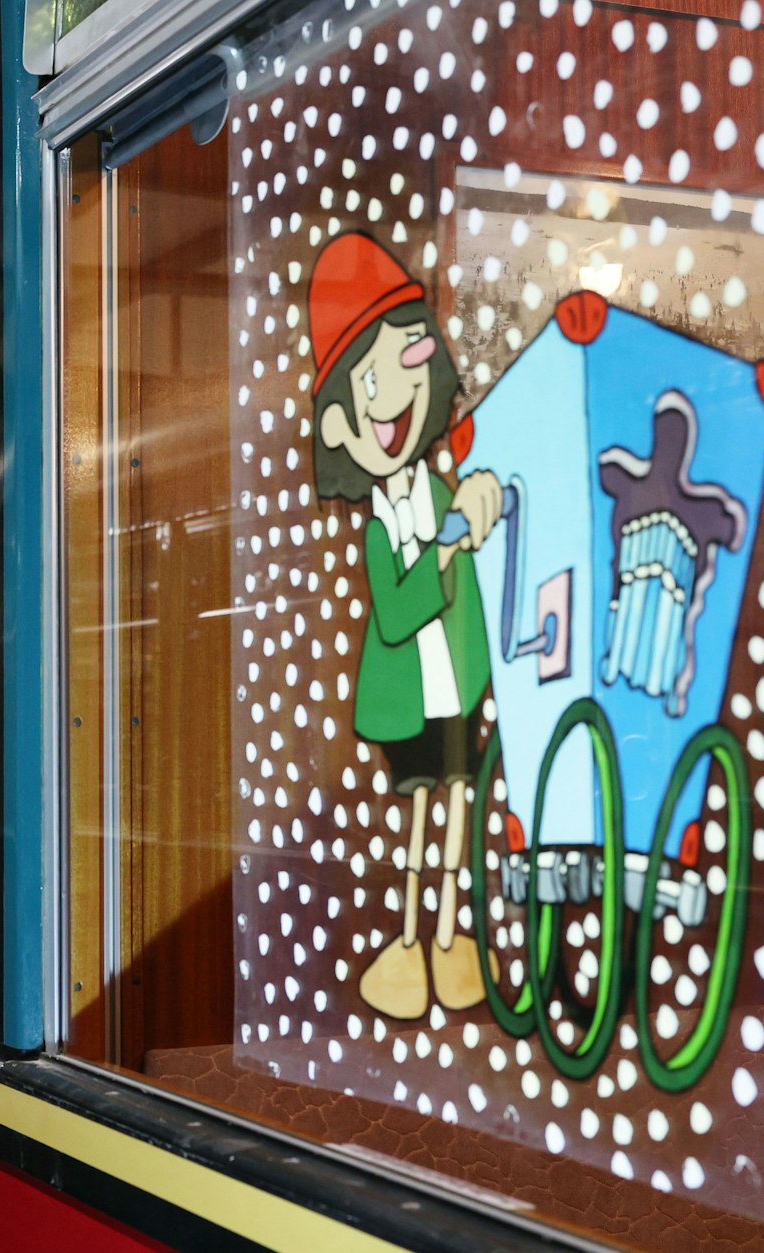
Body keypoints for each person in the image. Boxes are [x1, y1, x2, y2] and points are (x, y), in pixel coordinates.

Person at [305, 231, 503, 1021]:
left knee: (458, 816)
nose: (391, 405)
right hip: (408, 702)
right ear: (338, 428)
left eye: (403, 373)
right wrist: (450, 547)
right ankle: (412, 938)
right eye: (369, 386)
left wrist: (478, 517)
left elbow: (479, 572)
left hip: (460, 686)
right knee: (424, 816)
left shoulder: (443, 493)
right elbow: (394, 610)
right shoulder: (380, 526)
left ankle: (453, 938)